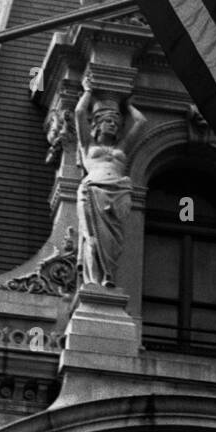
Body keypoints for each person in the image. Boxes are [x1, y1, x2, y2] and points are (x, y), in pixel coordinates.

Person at [75, 79, 145, 288]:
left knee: (113, 244)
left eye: (116, 122)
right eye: (108, 121)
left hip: (118, 194)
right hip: (93, 192)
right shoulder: (87, 145)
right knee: (93, 241)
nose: (113, 124)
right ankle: (94, 281)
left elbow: (141, 122)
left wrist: (128, 105)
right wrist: (87, 91)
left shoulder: (122, 147)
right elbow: (79, 113)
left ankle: (109, 276)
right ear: (96, 124)